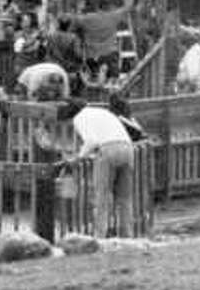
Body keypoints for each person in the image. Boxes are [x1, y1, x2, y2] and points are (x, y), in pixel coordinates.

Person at [57, 98, 139, 238]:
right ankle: (127, 235)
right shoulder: (102, 112)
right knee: (124, 198)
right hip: (127, 148)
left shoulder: (79, 118)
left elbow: (91, 141)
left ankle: (100, 236)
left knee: (102, 196)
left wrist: (77, 159)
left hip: (108, 150)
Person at [175, 25, 200, 93]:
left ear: (184, 43)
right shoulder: (195, 51)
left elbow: (192, 76)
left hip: (193, 89)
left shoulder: (193, 54)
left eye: (180, 45)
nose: (180, 48)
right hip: (193, 86)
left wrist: (181, 79)